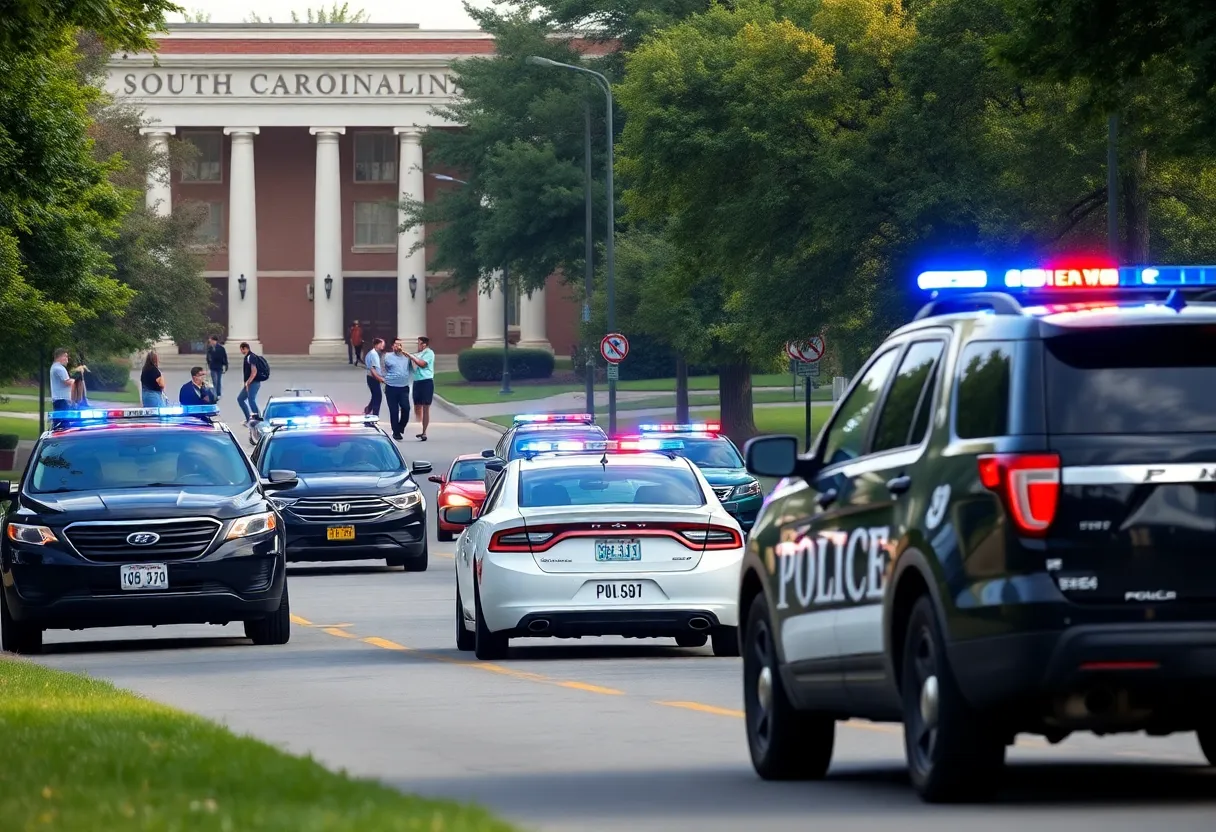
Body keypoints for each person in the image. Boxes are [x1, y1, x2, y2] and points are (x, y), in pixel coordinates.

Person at [406, 335, 436, 441]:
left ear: (424, 344)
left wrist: (411, 356)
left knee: (426, 407)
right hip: (417, 382)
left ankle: (424, 432)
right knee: (417, 405)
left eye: (418, 343)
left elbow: (422, 364)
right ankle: (419, 419)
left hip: (426, 382)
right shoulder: (419, 354)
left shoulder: (429, 353)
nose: (417, 345)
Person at [382, 338, 412, 440]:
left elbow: (414, 368)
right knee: (394, 411)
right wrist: (384, 383)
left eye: (400, 345)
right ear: (392, 346)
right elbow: (383, 370)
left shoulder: (407, 357)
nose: (398, 346)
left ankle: (400, 427)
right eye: (396, 345)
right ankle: (396, 432)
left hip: (403, 387)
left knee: (406, 408)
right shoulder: (387, 356)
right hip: (391, 387)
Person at [237, 342, 268, 424]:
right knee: (240, 399)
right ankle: (249, 419)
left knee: (251, 400)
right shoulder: (248, 357)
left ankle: (258, 418)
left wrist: (248, 382)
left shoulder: (251, 357)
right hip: (250, 383)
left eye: (242, 349)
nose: (242, 351)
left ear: (246, 348)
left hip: (254, 383)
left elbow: (254, 372)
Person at [49, 348, 87, 413]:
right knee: (64, 420)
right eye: (66, 356)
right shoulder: (59, 368)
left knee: (59, 420)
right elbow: (68, 382)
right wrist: (79, 379)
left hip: (59, 399)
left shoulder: (55, 367)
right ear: (61, 357)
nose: (67, 359)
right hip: (62, 400)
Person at [364, 337, 385, 416]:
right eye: (382, 344)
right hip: (373, 377)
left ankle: (368, 409)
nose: (383, 345)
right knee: (378, 397)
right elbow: (373, 369)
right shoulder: (373, 354)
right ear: (377, 345)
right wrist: (380, 378)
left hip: (372, 377)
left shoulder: (374, 353)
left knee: (375, 395)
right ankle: (375, 414)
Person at [205, 335, 228, 399]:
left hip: (219, 366)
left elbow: (224, 357)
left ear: (215, 341)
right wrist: (209, 362)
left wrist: (226, 365)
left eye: (212, 340)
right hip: (213, 367)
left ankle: (218, 393)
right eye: (210, 341)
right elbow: (207, 357)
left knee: (218, 381)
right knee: (214, 381)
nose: (211, 342)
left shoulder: (221, 348)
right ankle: (215, 394)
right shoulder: (210, 348)